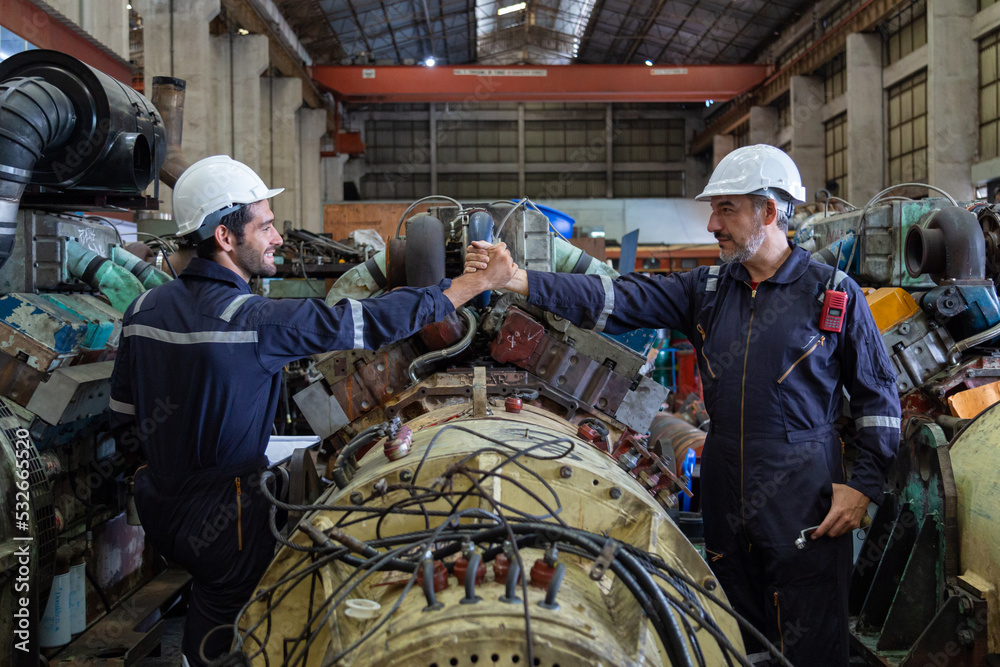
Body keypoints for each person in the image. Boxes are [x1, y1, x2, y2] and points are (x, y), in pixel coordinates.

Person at [465, 145, 900, 666]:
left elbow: (879, 398)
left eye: (727, 209)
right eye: (712, 210)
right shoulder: (708, 289)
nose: (713, 224)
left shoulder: (833, 293)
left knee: (809, 640)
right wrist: (518, 280)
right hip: (724, 482)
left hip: (803, 490)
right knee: (733, 631)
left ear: (770, 211)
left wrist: (863, 486)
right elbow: (616, 298)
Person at [108, 155, 517, 666]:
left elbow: (122, 415)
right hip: (226, 516)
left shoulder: (143, 310)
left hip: (161, 509)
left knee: (209, 597)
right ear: (225, 238)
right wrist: (474, 285)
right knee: (240, 621)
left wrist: (150, 474)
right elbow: (366, 321)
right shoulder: (254, 319)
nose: (278, 237)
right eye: (266, 226)